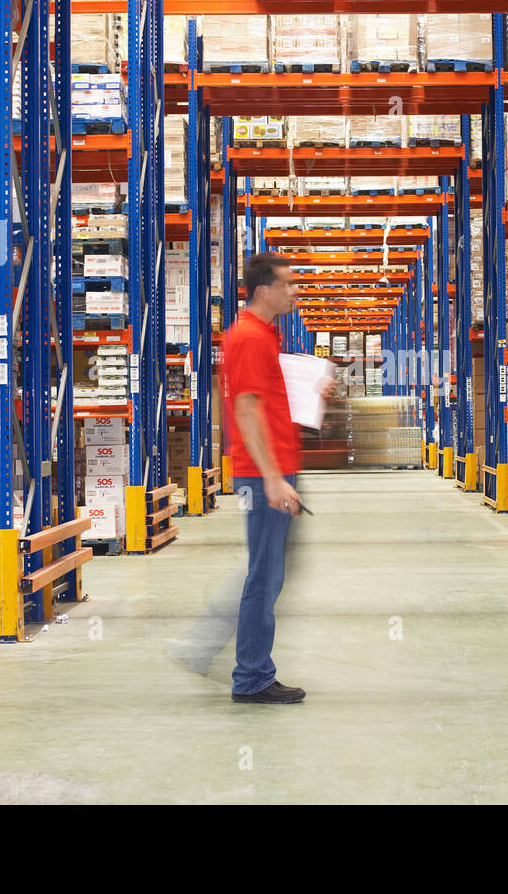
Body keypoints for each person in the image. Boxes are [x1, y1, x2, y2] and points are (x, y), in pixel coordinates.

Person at [220, 253, 328, 704]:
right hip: (263, 474)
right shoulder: (246, 336)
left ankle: (250, 668)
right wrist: (270, 479)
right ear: (263, 289)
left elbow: (265, 401)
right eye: (287, 284)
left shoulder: (265, 334)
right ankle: (251, 678)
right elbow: (245, 412)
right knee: (264, 577)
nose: (294, 290)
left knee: (270, 573)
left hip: (278, 469)